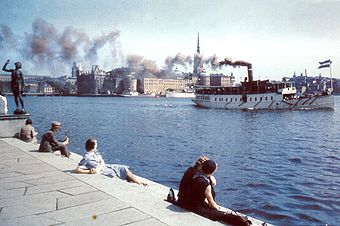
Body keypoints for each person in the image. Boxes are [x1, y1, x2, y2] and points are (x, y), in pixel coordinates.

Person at [186, 160, 252, 226]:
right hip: (196, 208)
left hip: (189, 203)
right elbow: (211, 202)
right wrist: (218, 210)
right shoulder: (206, 185)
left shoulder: (195, 176)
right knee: (223, 215)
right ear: (213, 171)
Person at [75, 138, 147, 186]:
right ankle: (138, 183)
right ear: (93, 146)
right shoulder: (87, 157)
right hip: (103, 170)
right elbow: (77, 169)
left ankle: (137, 182)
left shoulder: (95, 153)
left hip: (104, 166)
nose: (97, 145)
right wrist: (90, 172)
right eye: (96, 144)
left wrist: (100, 165)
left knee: (121, 167)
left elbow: (102, 161)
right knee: (121, 170)